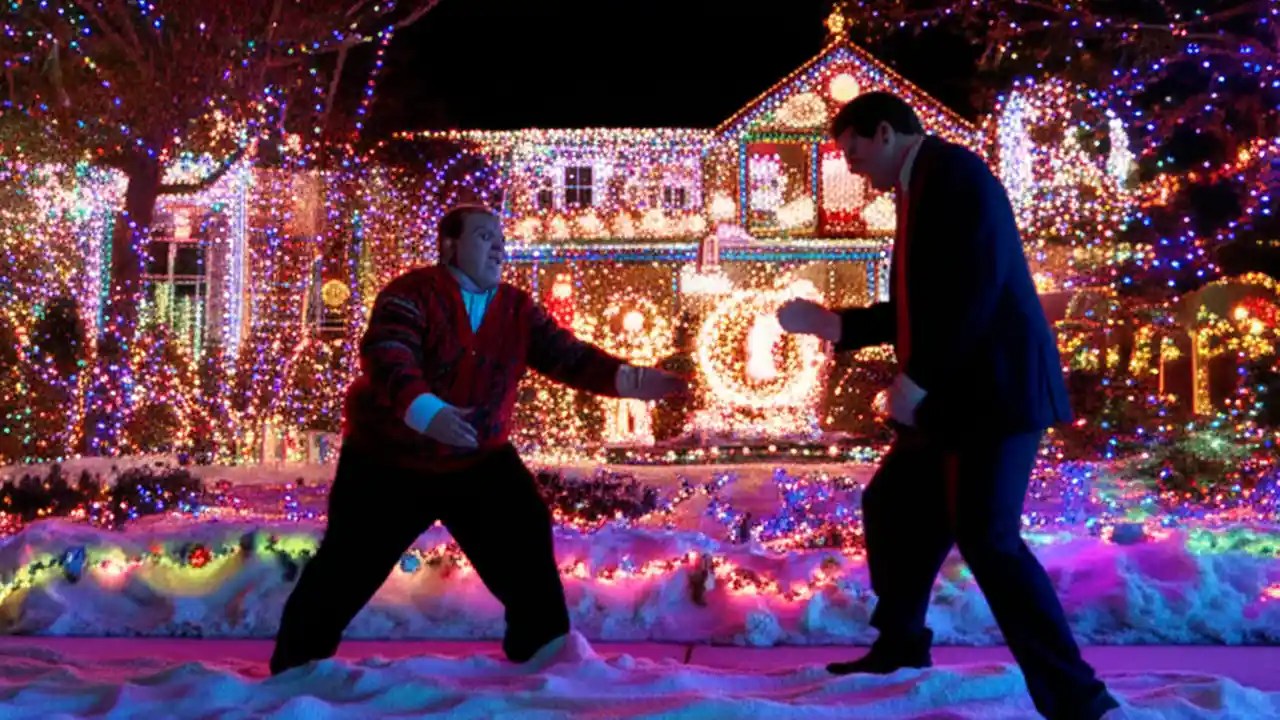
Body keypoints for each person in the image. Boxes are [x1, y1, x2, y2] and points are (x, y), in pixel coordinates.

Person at [776, 92, 1119, 720]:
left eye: (852, 153)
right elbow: (921, 302)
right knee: (895, 503)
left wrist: (917, 381)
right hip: (957, 398)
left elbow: (975, 289)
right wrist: (832, 324)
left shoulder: (956, 175)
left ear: (883, 133)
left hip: (996, 395)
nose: (851, 170)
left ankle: (1078, 698)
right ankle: (901, 645)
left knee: (989, 541)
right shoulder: (920, 185)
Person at [270, 203, 687, 675]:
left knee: (524, 536)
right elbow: (389, 355)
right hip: (388, 462)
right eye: (486, 237)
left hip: (477, 460)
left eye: (501, 240)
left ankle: (546, 658)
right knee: (349, 563)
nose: (499, 248)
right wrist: (427, 412)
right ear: (451, 246)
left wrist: (631, 381)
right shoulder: (411, 293)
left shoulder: (516, 308)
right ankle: (295, 666)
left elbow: (570, 358)